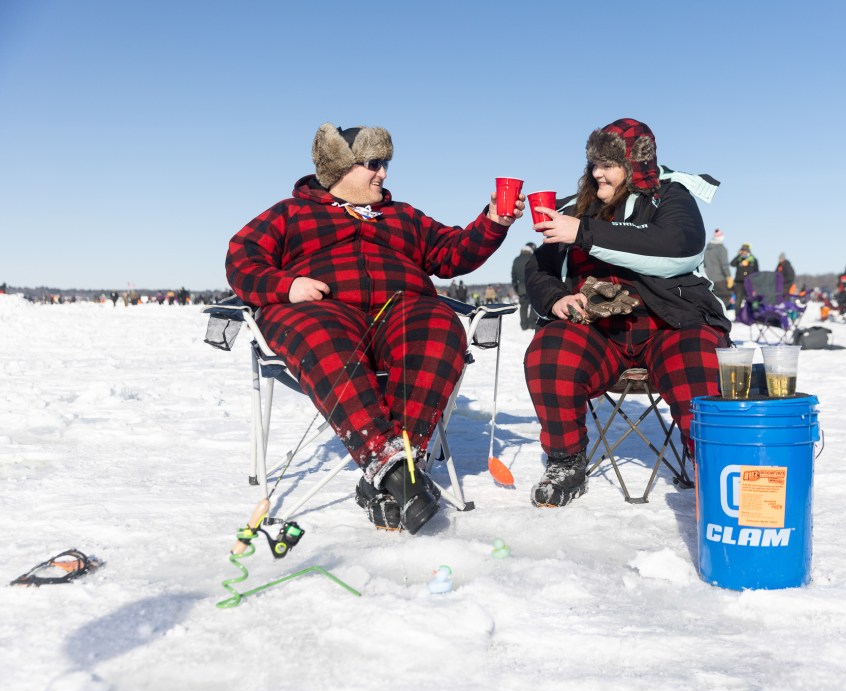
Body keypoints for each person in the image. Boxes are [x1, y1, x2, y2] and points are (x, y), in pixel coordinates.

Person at [226, 121, 523, 534]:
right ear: (338, 168)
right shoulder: (290, 213)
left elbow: (452, 253)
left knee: (439, 325)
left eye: (385, 163)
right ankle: (391, 466)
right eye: (372, 163)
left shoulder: (402, 216)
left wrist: (494, 221)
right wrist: (288, 286)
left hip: (399, 311)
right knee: (320, 332)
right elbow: (241, 259)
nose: (383, 173)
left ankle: (392, 471)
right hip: (322, 310)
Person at [523, 118, 730, 507]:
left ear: (634, 165)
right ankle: (565, 460)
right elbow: (538, 268)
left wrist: (584, 234)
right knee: (550, 350)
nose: (597, 172)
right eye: (594, 164)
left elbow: (678, 247)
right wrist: (554, 299)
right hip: (597, 331)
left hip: (669, 322)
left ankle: (712, 466)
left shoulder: (670, 197)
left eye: (608, 163)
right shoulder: (575, 209)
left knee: (698, 360)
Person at [512, 242, 537, 329]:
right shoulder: (533, 258)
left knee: (523, 306)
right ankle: (532, 323)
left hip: (521, 287)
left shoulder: (516, 260)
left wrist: (516, 288)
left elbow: (514, 276)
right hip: (533, 286)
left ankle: (524, 325)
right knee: (535, 305)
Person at [703, 229, 731, 309]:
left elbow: (704, 264)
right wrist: (729, 276)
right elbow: (724, 265)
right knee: (726, 295)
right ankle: (720, 313)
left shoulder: (707, 249)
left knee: (713, 297)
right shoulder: (722, 249)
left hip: (709, 277)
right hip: (720, 278)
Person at [730, 243, 758, 314]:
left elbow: (757, 272)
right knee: (738, 299)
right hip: (739, 282)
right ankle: (738, 316)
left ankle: (751, 315)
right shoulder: (739, 259)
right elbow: (732, 264)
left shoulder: (754, 260)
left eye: (745, 250)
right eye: (743, 250)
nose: (744, 251)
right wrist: (738, 255)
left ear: (749, 251)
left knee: (750, 299)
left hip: (749, 282)